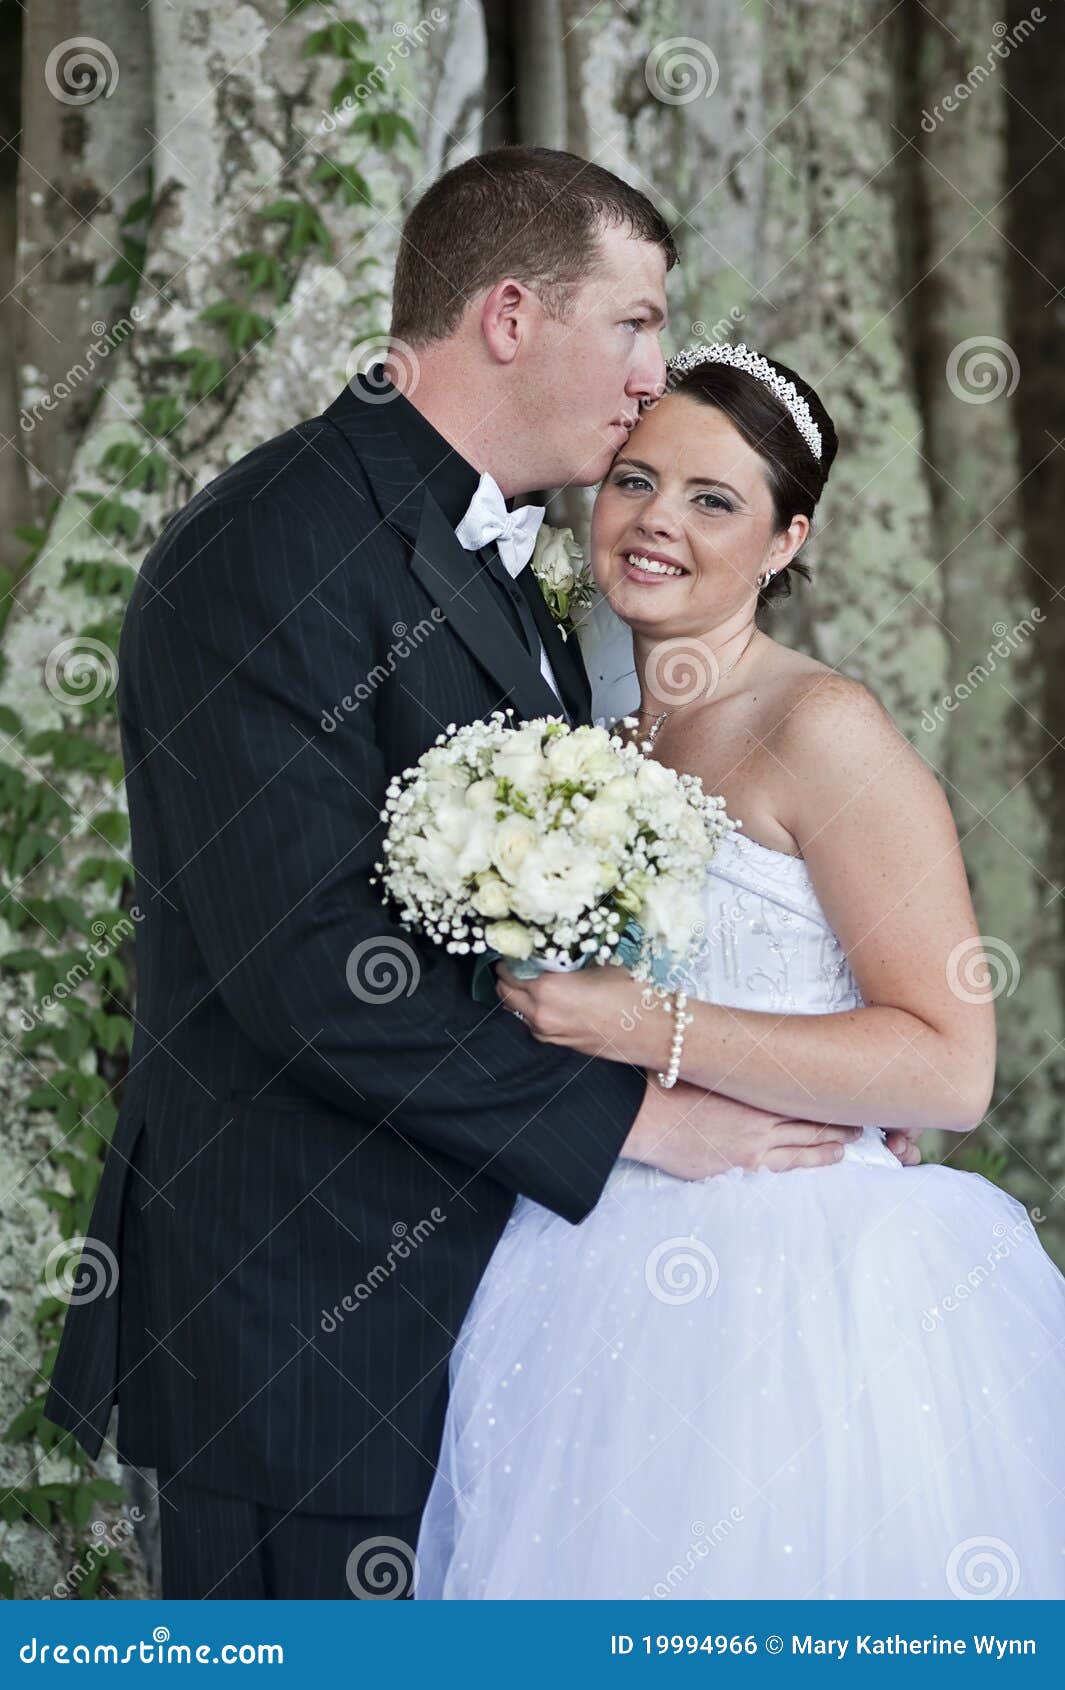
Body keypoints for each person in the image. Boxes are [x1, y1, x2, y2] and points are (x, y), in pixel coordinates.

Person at [41, 153, 890, 1601]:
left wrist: (804, 1083)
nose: (652, 374)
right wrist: (641, 1118)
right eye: (631, 323)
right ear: (509, 315)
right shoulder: (274, 548)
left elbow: (583, 915)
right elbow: (304, 967)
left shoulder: (511, 552)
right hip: (303, 1327)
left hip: (497, 1312)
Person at [414, 344, 1065, 1600]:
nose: (659, 522)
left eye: (715, 500)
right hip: (586, 1243)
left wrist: (650, 1024)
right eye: (636, 480)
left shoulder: (821, 728)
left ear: (785, 539)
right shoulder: (585, 738)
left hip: (802, 1288)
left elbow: (949, 1064)